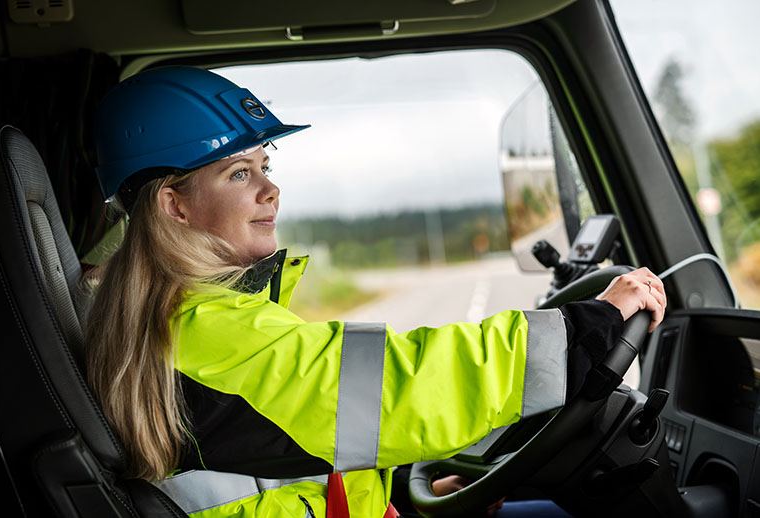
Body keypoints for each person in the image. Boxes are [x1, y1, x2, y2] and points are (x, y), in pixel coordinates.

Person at [85, 66, 667, 518]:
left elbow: (284, 463)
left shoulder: (184, 315)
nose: (272, 189)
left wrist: (412, 496)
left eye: (266, 166)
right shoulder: (199, 325)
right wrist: (583, 330)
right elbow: (396, 390)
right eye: (240, 173)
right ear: (174, 205)